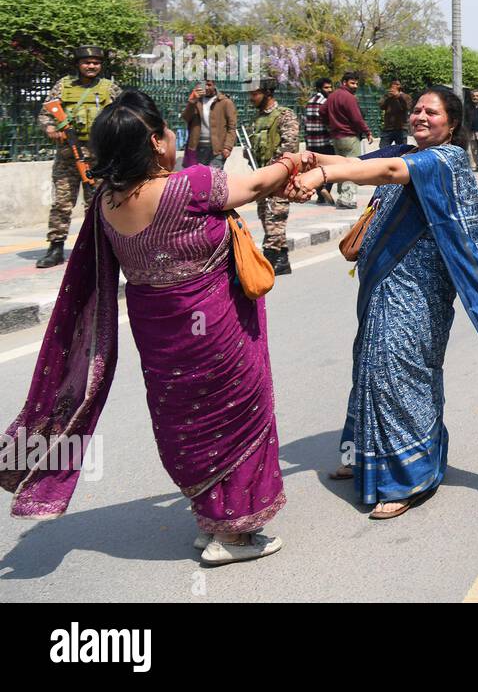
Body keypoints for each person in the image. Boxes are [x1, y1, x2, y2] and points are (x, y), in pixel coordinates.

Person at [1, 91, 310, 563]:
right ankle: (234, 535)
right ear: (154, 141)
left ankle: (212, 518)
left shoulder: (105, 203)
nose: (173, 136)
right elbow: (255, 186)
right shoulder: (194, 185)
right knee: (236, 417)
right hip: (217, 331)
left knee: (186, 421)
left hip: (160, 333)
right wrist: (292, 162)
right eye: (166, 129)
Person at [293, 87, 478, 518]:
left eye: (430, 112)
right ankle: (361, 453)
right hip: (382, 286)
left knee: (401, 373)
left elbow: (391, 171)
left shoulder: (444, 161)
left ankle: (408, 478)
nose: (419, 116)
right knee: (372, 366)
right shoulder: (404, 150)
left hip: (420, 292)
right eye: (416, 109)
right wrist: (311, 160)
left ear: (451, 124)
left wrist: (322, 178)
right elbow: (356, 164)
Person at [36, 46, 122, 269]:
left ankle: (97, 249)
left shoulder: (109, 88)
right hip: (68, 155)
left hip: (100, 156)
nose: (91, 66)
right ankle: (56, 247)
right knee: (62, 203)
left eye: (96, 62)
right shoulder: (63, 86)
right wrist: (51, 129)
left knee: (97, 203)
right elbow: (45, 114)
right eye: (87, 62)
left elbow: (124, 114)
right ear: (78, 65)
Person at [248, 77, 300, 275]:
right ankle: (282, 260)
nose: (251, 98)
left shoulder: (285, 115)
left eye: (255, 94)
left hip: (279, 177)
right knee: (266, 216)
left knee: (274, 218)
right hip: (263, 176)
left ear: (267, 93)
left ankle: (267, 264)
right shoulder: (259, 118)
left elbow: (289, 146)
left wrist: (272, 170)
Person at [323, 71, 373, 209]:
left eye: (356, 83)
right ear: (344, 83)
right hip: (350, 136)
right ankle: (348, 198)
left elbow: (322, 111)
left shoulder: (332, 96)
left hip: (336, 137)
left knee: (341, 167)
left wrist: (330, 124)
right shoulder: (349, 97)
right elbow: (357, 119)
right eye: (352, 83)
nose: (355, 86)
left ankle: (342, 196)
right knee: (352, 167)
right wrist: (367, 131)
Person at [181, 80, 238, 171]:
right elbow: (186, 118)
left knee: (213, 178)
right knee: (198, 178)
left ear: (214, 85)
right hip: (197, 148)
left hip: (217, 150)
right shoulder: (196, 101)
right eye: (203, 85)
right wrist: (192, 102)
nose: (206, 87)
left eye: (209, 85)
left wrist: (228, 146)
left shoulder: (225, 102)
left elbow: (232, 127)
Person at [304, 77, 336, 205]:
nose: (329, 90)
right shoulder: (326, 102)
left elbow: (305, 122)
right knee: (331, 167)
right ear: (319, 89)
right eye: (326, 88)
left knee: (315, 169)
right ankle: (325, 189)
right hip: (325, 140)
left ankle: (320, 195)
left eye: (330, 87)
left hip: (311, 142)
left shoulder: (310, 101)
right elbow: (328, 122)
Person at [379, 79, 412, 149]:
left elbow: (408, 106)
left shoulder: (406, 96)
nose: (394, 86)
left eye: (397, 84)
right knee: (382, 149)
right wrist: (386, 96)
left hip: (401, 128)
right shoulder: (388, 97)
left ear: (400, 86)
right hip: (388, 128)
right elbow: (381, 106)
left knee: (401, 150)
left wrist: (398, 96)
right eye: (393, 84)